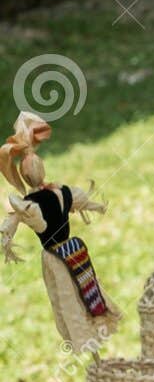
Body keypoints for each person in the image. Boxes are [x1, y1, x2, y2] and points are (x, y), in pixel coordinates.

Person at [1, 111, 121, 354]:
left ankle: (84, 340)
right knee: (88, 287)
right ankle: (95, 329)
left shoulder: (30, 205)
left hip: (55, 257)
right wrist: (95, 206)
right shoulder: (63, 193)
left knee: (67, 300)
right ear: (41, 170)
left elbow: (9, 226)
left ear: (24, 175)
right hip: (74, 250)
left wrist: (6, 242)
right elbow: (82, 200)